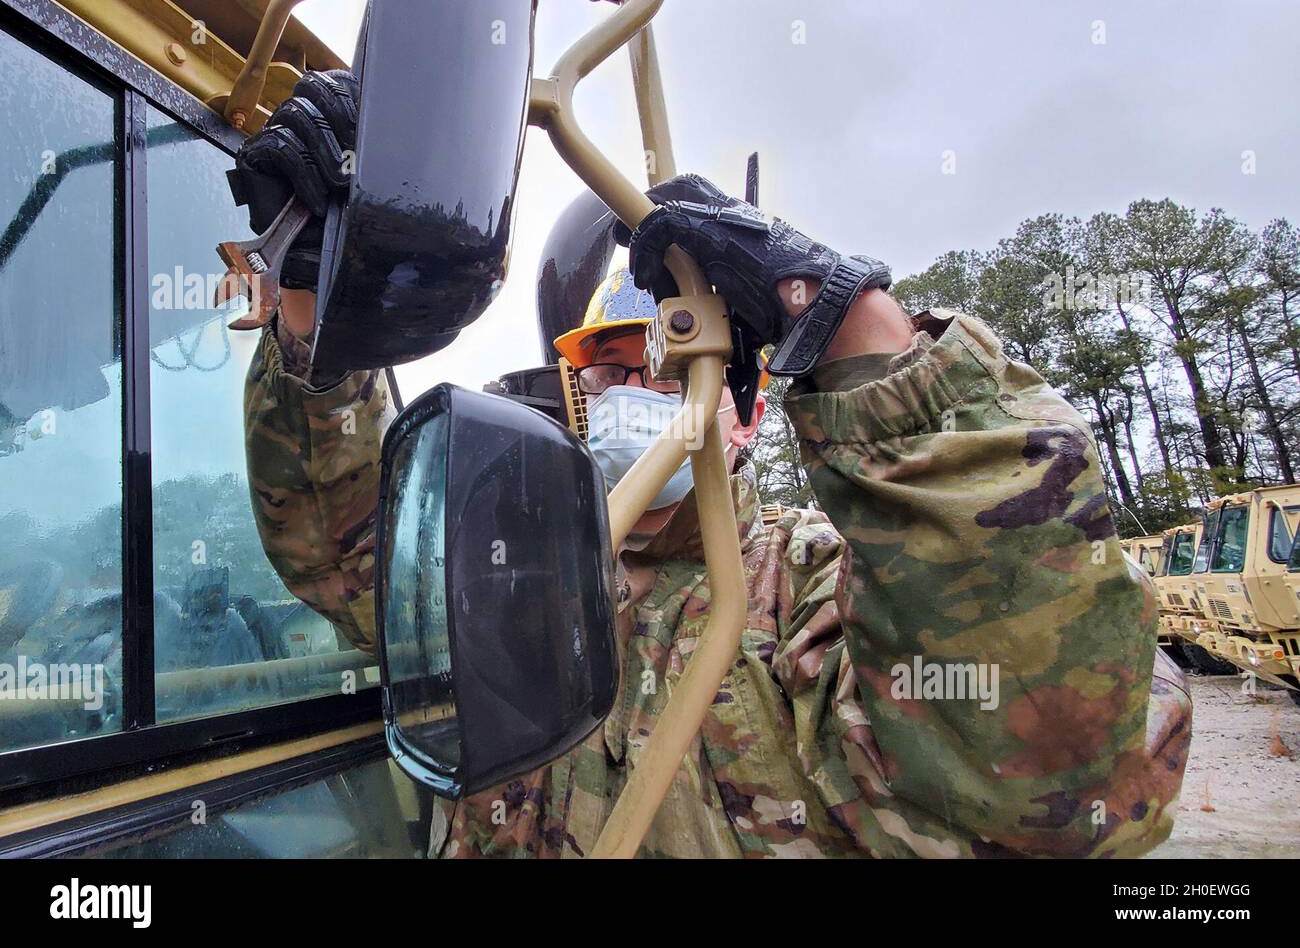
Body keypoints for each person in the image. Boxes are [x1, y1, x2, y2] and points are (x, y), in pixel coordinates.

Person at [234, 71, 1191, 858]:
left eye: (671, 362)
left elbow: (1062, 781)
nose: (635, 393)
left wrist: (853, 328)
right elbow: (345, 556)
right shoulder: (507, 582)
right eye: (606, 368)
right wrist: (325, 313)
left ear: (745, 406)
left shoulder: (821, 592)